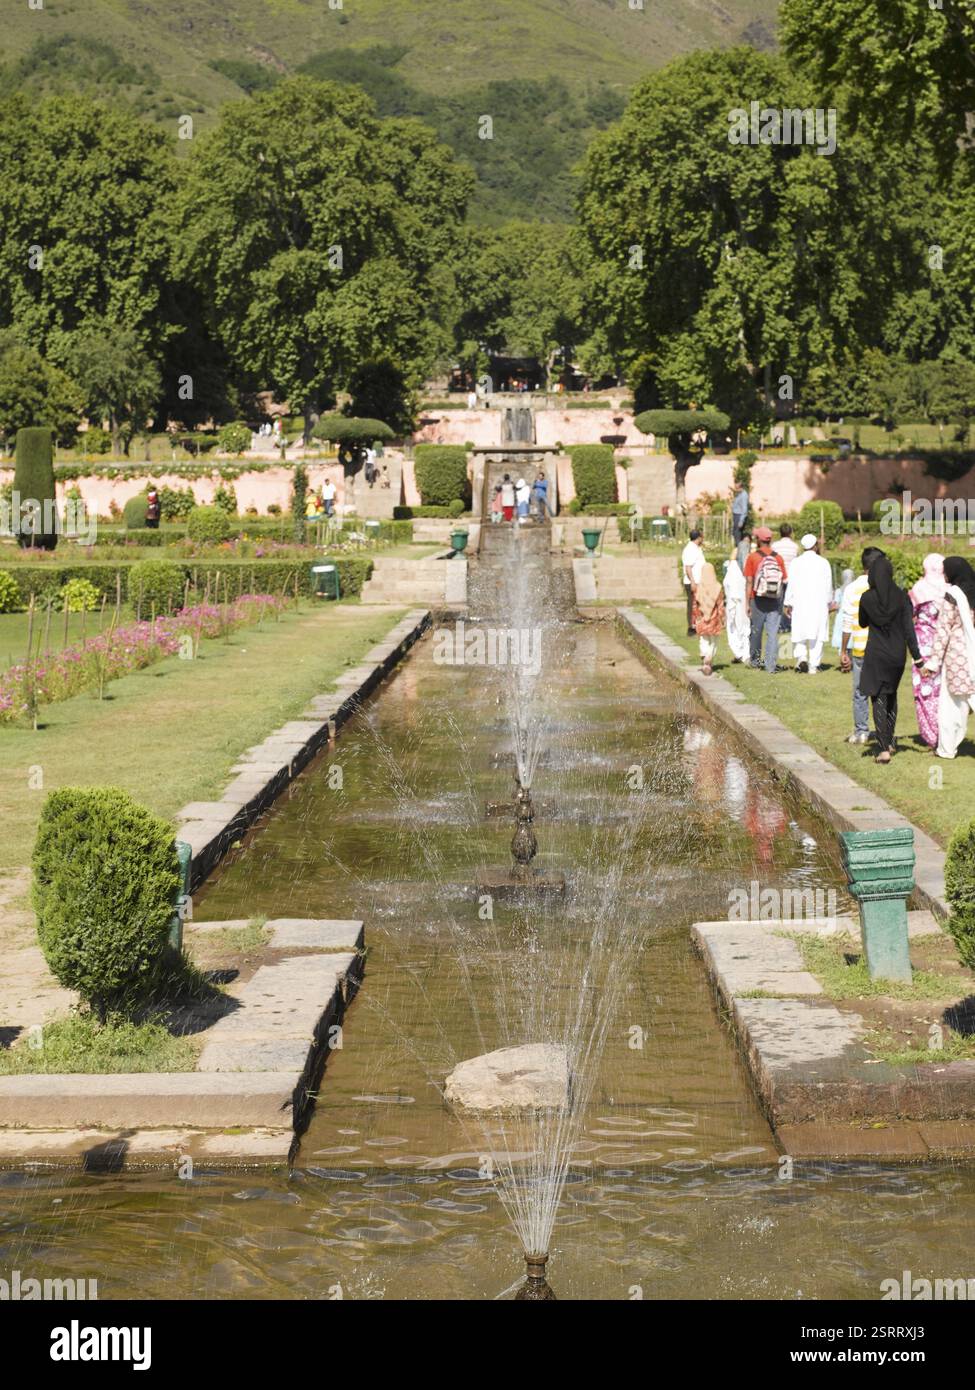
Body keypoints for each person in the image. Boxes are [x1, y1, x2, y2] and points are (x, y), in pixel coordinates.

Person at [859, 553, 922, 764]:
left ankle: (883, 748)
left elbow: (862, 623)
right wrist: (918, 658)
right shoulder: (903, 597)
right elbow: (909, 629)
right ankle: (891, 741)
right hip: (897, 655)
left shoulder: (867, 598)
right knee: (891, 695)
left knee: (878, 697)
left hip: (876, 653)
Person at [924, 556, 975, 759]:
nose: (943, 575)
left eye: (945, 571)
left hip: (958, 656)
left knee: (953, 706)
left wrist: (933, 661)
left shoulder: (952, 595)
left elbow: (943, 629)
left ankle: (946, 748)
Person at [840, 547, 883, 746]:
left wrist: (843, 650)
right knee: (882, 691)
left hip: (859, 647)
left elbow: (847, 621)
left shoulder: (852, 588)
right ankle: (884, 731)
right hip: (881, 647)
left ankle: (861, 731)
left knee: (860, 691)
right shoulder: (884, 586)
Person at [909, 553, 946, 748]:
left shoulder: (920, 588)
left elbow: (910, 614)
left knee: (923, 689)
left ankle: (930, 734)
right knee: (940, 691)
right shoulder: (949, 590)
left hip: (922, 646)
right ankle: (943, 733)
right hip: (942, 647)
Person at [783, 534, 834, 673]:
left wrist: (788, 603)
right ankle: (813, 665)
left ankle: (801, 658)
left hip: (800, 602)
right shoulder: (824, 562)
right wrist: (829, 602)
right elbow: (829, 585)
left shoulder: (795, 562)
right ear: (815, 546)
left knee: (800, 630)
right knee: (817, 633)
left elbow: (790, 585)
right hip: (818, 602)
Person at [743, 526, 787, 672]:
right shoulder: (778, 558)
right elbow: (784, 580)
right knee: (772, 633)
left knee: (756, 631)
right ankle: (770, 665)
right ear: (770, 540)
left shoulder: (753, 557)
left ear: (758, 540)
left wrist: (748, 602)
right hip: (775, 600)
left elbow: (749, 581)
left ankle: (755, 662)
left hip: (758, 599)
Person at [692, 561, 725, 676]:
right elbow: (720, 605)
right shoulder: (718, 587)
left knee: (703, 639)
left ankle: (705, 660)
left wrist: (695, 618)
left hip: (702, 620)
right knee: (714, 641)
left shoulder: (698, 588)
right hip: (714, 620)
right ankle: (709, 656)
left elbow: (695, 605)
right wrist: (722, 618)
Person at [722, 549, 749, 663]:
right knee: (744, 627)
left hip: (736, 601)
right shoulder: (741, 569)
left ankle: (741, 653)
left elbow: (728, 586)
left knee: (735, 627)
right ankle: (743, 653)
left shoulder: (732, 570)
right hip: (743, 602)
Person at [681, 529, 705, 635]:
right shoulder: (690, 549)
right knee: (692, 604)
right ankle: (691, 628)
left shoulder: (696, 548)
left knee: (698, 604)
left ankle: (698, 625)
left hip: (698, 581)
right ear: (699, 537)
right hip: (693, 581)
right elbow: (688, 568)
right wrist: (693, 582)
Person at [831, 568, 854, 651]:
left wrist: (828, 610)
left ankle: (843, 656)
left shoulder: (839, 591)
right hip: (852, 615)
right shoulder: (855, 590)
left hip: (841, 617)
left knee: (841, 638)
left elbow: (836, 605)